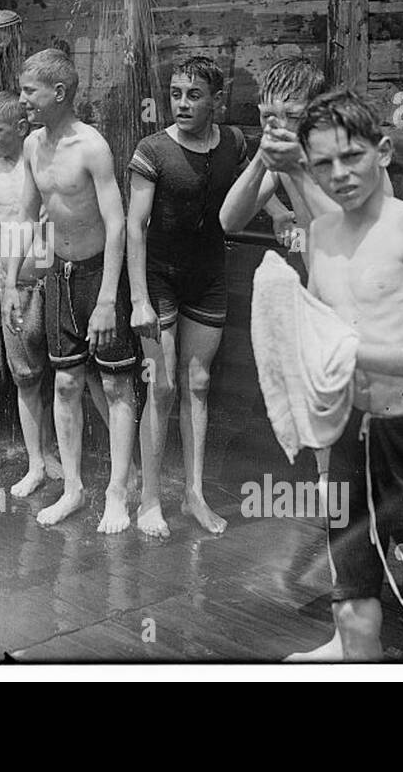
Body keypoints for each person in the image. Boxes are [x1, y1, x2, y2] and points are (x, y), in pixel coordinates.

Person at [293, 88, 403, 662]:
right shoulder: (319, 235)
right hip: (349, 434)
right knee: (351, 600)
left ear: (383, 150)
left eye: (352, 156)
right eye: (323, 163)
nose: (338, 174)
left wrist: (343, 348)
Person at [4, 49, 138, 533]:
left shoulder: (92, 146)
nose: (23, 101)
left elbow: (117, 224)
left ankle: (118, 492)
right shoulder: (32, 146)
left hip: (98, 273)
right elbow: (24, 215)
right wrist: (10, 282)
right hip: (56, 272)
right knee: (65, 383)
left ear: (59, 93)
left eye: (29, 92)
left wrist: (107, 298)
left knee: (117, 384)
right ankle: (74, 488)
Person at [127, 57, 246, 538]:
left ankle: (193, 494)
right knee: (162, 386)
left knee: (197, 384)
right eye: (175, 93)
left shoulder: (234, 142)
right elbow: (135, 225)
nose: (181, 103)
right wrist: (138, 299)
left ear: (217, 99)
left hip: (209, 275)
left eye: (193, 95)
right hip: (159, 280)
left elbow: (248, 185)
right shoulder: (152, 149)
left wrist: (281, 213)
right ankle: (149, 501)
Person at [0, 91, 57, 492]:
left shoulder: (39, 164)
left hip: (28, 282)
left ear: (22, 128)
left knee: (29, 373)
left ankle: (41, 457)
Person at [221, 56, 389, 256]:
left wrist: (297, 170)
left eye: (292, 116)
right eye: (267, 116)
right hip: (317, 283)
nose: (279, 127)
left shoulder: (351, 153)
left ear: (317, 111)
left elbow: (364, 234)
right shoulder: (283, 161)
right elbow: (230, 222)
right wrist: (261, 157)